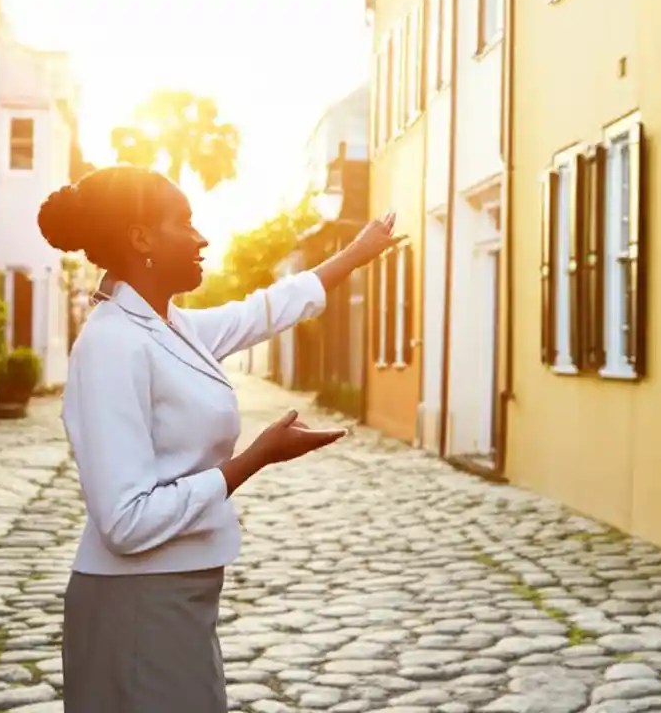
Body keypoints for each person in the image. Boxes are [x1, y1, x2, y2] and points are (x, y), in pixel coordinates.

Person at [38, 165, 400, 712]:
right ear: (141, 238)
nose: (202, 236)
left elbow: (262, 311)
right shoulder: (111, 345)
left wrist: (355, 254)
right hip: (137, 605)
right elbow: (124, 520)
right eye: (184, 221)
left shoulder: (168, 328)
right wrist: (254, 459)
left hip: (178, 597)